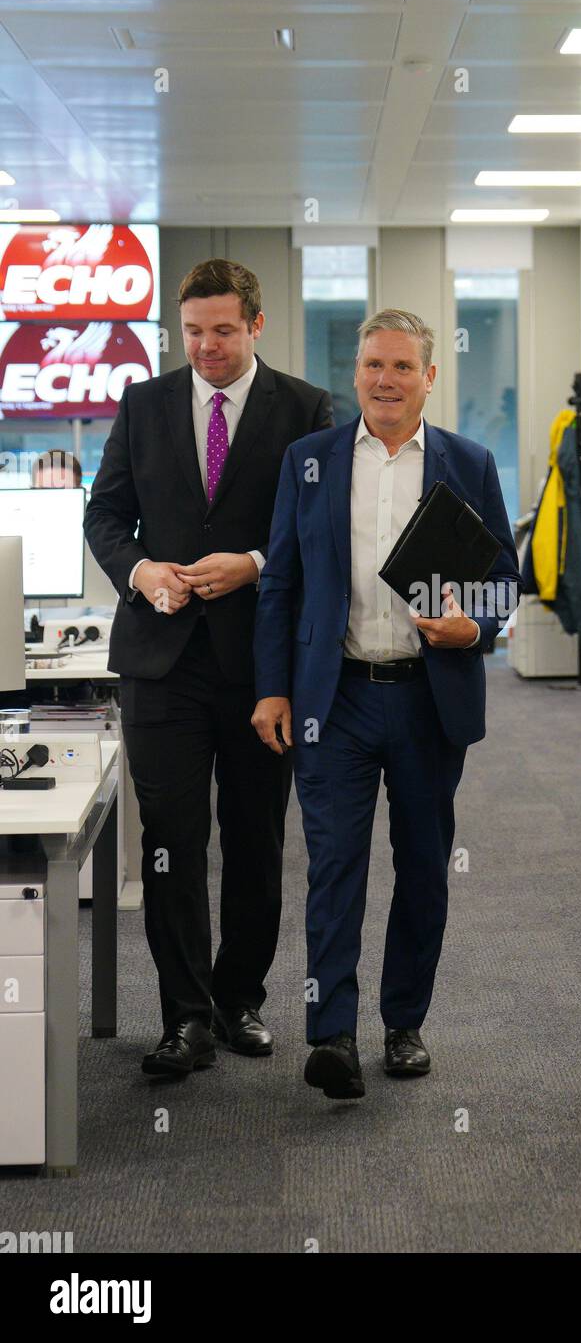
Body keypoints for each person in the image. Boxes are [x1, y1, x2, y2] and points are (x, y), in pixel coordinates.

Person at [252, 308, 520, 1100]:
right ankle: (331, 1032)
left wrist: (476, 624)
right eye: (373, 365)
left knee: (425, 867)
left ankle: (404, 1024)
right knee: (333, 865)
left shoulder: (468, 463)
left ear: (430, 378)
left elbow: (504, 574)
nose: (386, 380)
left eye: (403, 367)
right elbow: (280, 583)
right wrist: (271, 687)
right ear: (356, 372)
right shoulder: (311, 460)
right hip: (333, 700)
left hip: (428, 698)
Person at [85, 258, 333, 1078]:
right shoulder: (145, 403)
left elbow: (317, 531)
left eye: (223, 330)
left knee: (258, 840)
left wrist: (257, 562)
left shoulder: (303, 410)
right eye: (192, 331)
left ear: (256, 325)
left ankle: (239, 1001)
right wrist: (139, 570)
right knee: (171, 842)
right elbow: (108, 514)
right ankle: (185, 1017)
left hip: (261, 665)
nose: (207, 346)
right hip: (161, 663)